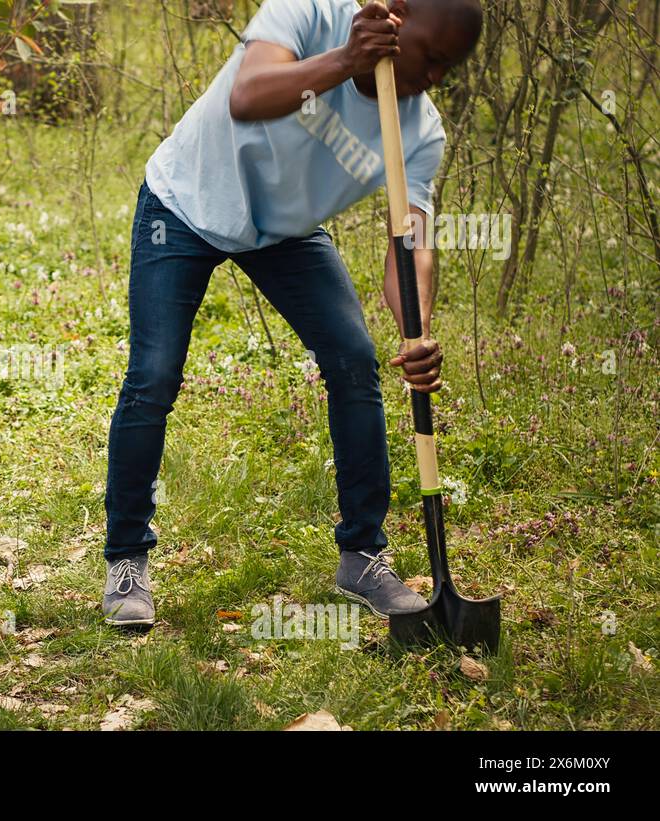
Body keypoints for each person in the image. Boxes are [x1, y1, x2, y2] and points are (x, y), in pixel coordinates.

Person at [100, 0, 483, 627]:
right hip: (185, 205)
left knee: (355, 362)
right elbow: (248, 96)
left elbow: (408, 243)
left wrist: (418, 332)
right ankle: (126, 563)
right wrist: (344, 61)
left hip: (284, 234)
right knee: (154, 375)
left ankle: (363, 555)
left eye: (450, 70)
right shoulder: (310, 11)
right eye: (434, 58)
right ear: (399, 16)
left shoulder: (420, 132)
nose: (436, 78)